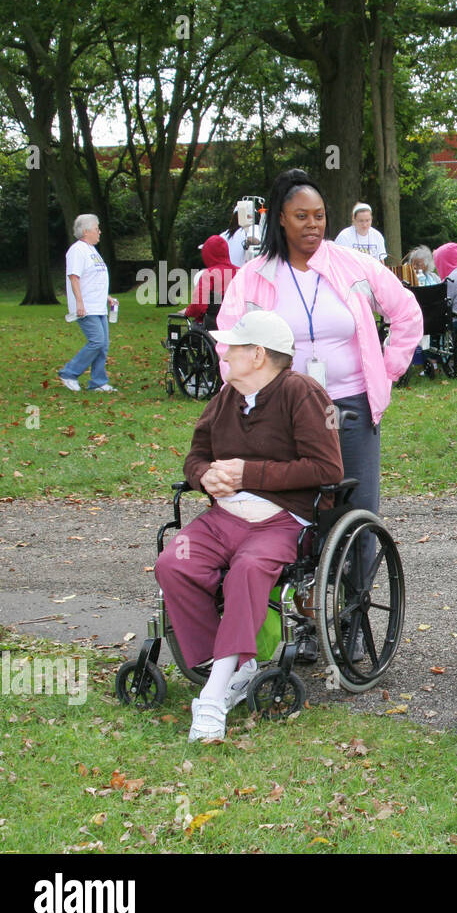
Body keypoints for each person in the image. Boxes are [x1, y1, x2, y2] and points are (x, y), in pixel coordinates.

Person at [154, 311, 343, 742]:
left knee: (248, 570)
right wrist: (205, 476)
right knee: (173, 563)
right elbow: (196, 455)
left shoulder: (304, 394)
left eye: (232, 348)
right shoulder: (226, 396)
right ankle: (231, 665)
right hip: (225, 515)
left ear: (257, 355)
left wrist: (247, 474)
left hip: (281, 519)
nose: (223, 353)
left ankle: (216, 693)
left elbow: (327, 467)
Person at [217, 168, 421, 526]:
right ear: (280, 219)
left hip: (351, 405)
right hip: (284, 410)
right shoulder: (254, 277)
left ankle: (358, 583)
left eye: (319, 216)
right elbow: (229, 341)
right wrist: (247, 392)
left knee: (357, 512)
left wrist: (386, 371)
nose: (313, 225)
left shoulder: (353, 265)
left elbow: (406, 312)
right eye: (301, 217)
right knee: (295, 510)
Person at [59, 214, 118, 393]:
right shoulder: (77, 250)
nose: (99, 232)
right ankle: (69, 373)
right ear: (86, 231)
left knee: (103, 343)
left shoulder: (91, 250)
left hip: (98, 305)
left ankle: (98, 381)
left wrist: (106, 297)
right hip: (86, 307)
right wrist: (79, 303)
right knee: (96, 341)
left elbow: (92, 278)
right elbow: (74, 277)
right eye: (96, 228)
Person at [185, 235, 238, 329]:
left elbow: (198, 306)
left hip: (215, 323)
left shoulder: (209, 274)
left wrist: (188, 312)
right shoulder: (240, 271)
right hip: (238, 322)